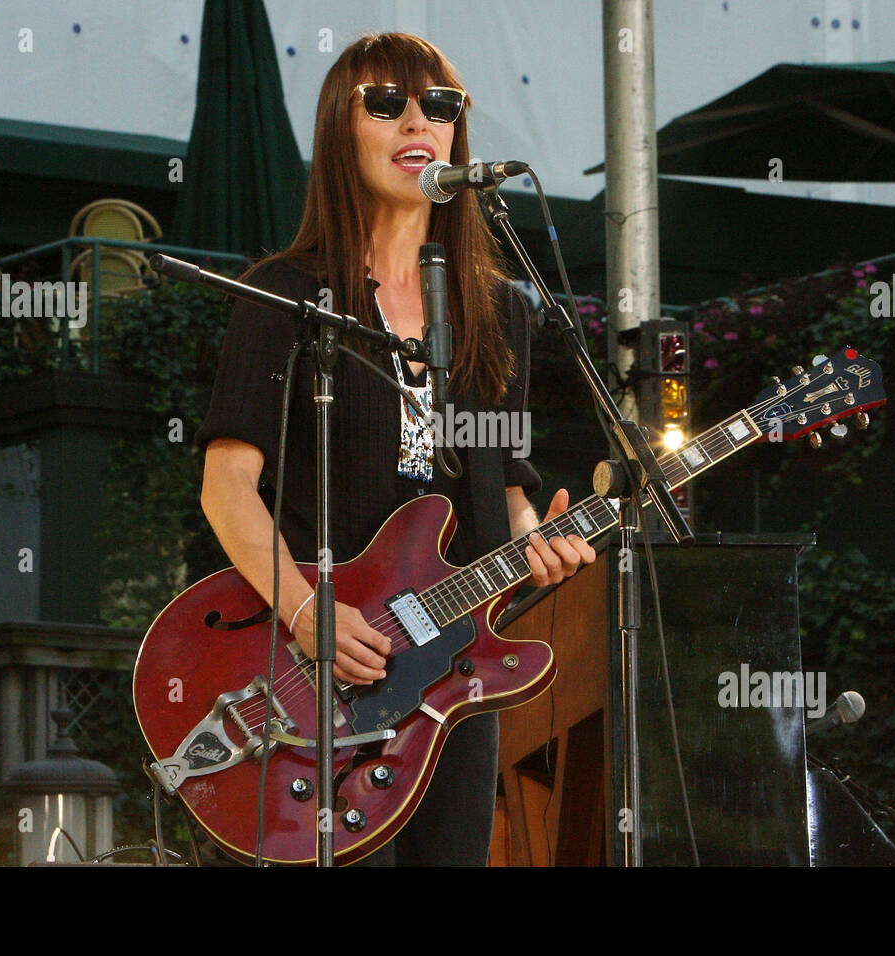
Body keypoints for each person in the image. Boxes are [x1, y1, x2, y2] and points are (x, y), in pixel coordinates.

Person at [195, 32, 595, 866]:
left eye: (440, 107)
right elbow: (227, 486)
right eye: (388, 103)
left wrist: (542, 545)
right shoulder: (286, 295)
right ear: (343, 132)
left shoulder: (500, 314)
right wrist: (308, 614)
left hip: (447, 680)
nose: (420, 120)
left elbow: (504, 495)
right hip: (309, 675)